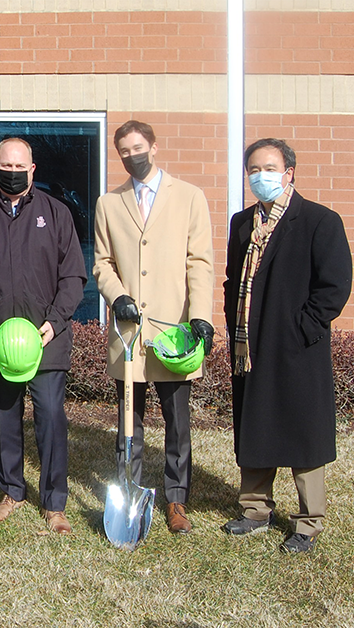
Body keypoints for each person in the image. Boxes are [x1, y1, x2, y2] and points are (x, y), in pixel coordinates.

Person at [222, 138, 352, 553]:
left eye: (270, 168)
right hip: (252, 347)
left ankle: (308, 521)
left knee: (303, 432)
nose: (261, 176)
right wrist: (235, 325)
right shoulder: (242, 223)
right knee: (256, 425)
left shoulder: (319, 221)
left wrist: (303, 327)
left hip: (298, 350)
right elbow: (231, 282)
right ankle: (255, 509)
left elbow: (334, 286)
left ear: (289, 172)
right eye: (254, 170)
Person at [0, 137, 87, 534]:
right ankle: (12, 489)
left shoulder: (56, 214)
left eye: (19, 167)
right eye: (5, 167)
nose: (12, 173)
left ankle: (54, 501)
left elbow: (73, 276)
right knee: (5, 417)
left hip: (47, 339)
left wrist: (56, 320)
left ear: (32, 170)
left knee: (50, 416)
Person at [91, 120, 214, 534]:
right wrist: (116, 294)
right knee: (129, 420)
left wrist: (200, 315)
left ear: (154, 146)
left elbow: (200, 262)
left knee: (178, 422)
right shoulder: (109, 203)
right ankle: (130, 488)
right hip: (129, 335)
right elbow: (102, 263)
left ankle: (176, 499)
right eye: (124, 151)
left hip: (173, 333)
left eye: (138, 147)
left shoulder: (190, 197)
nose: (131, 156)